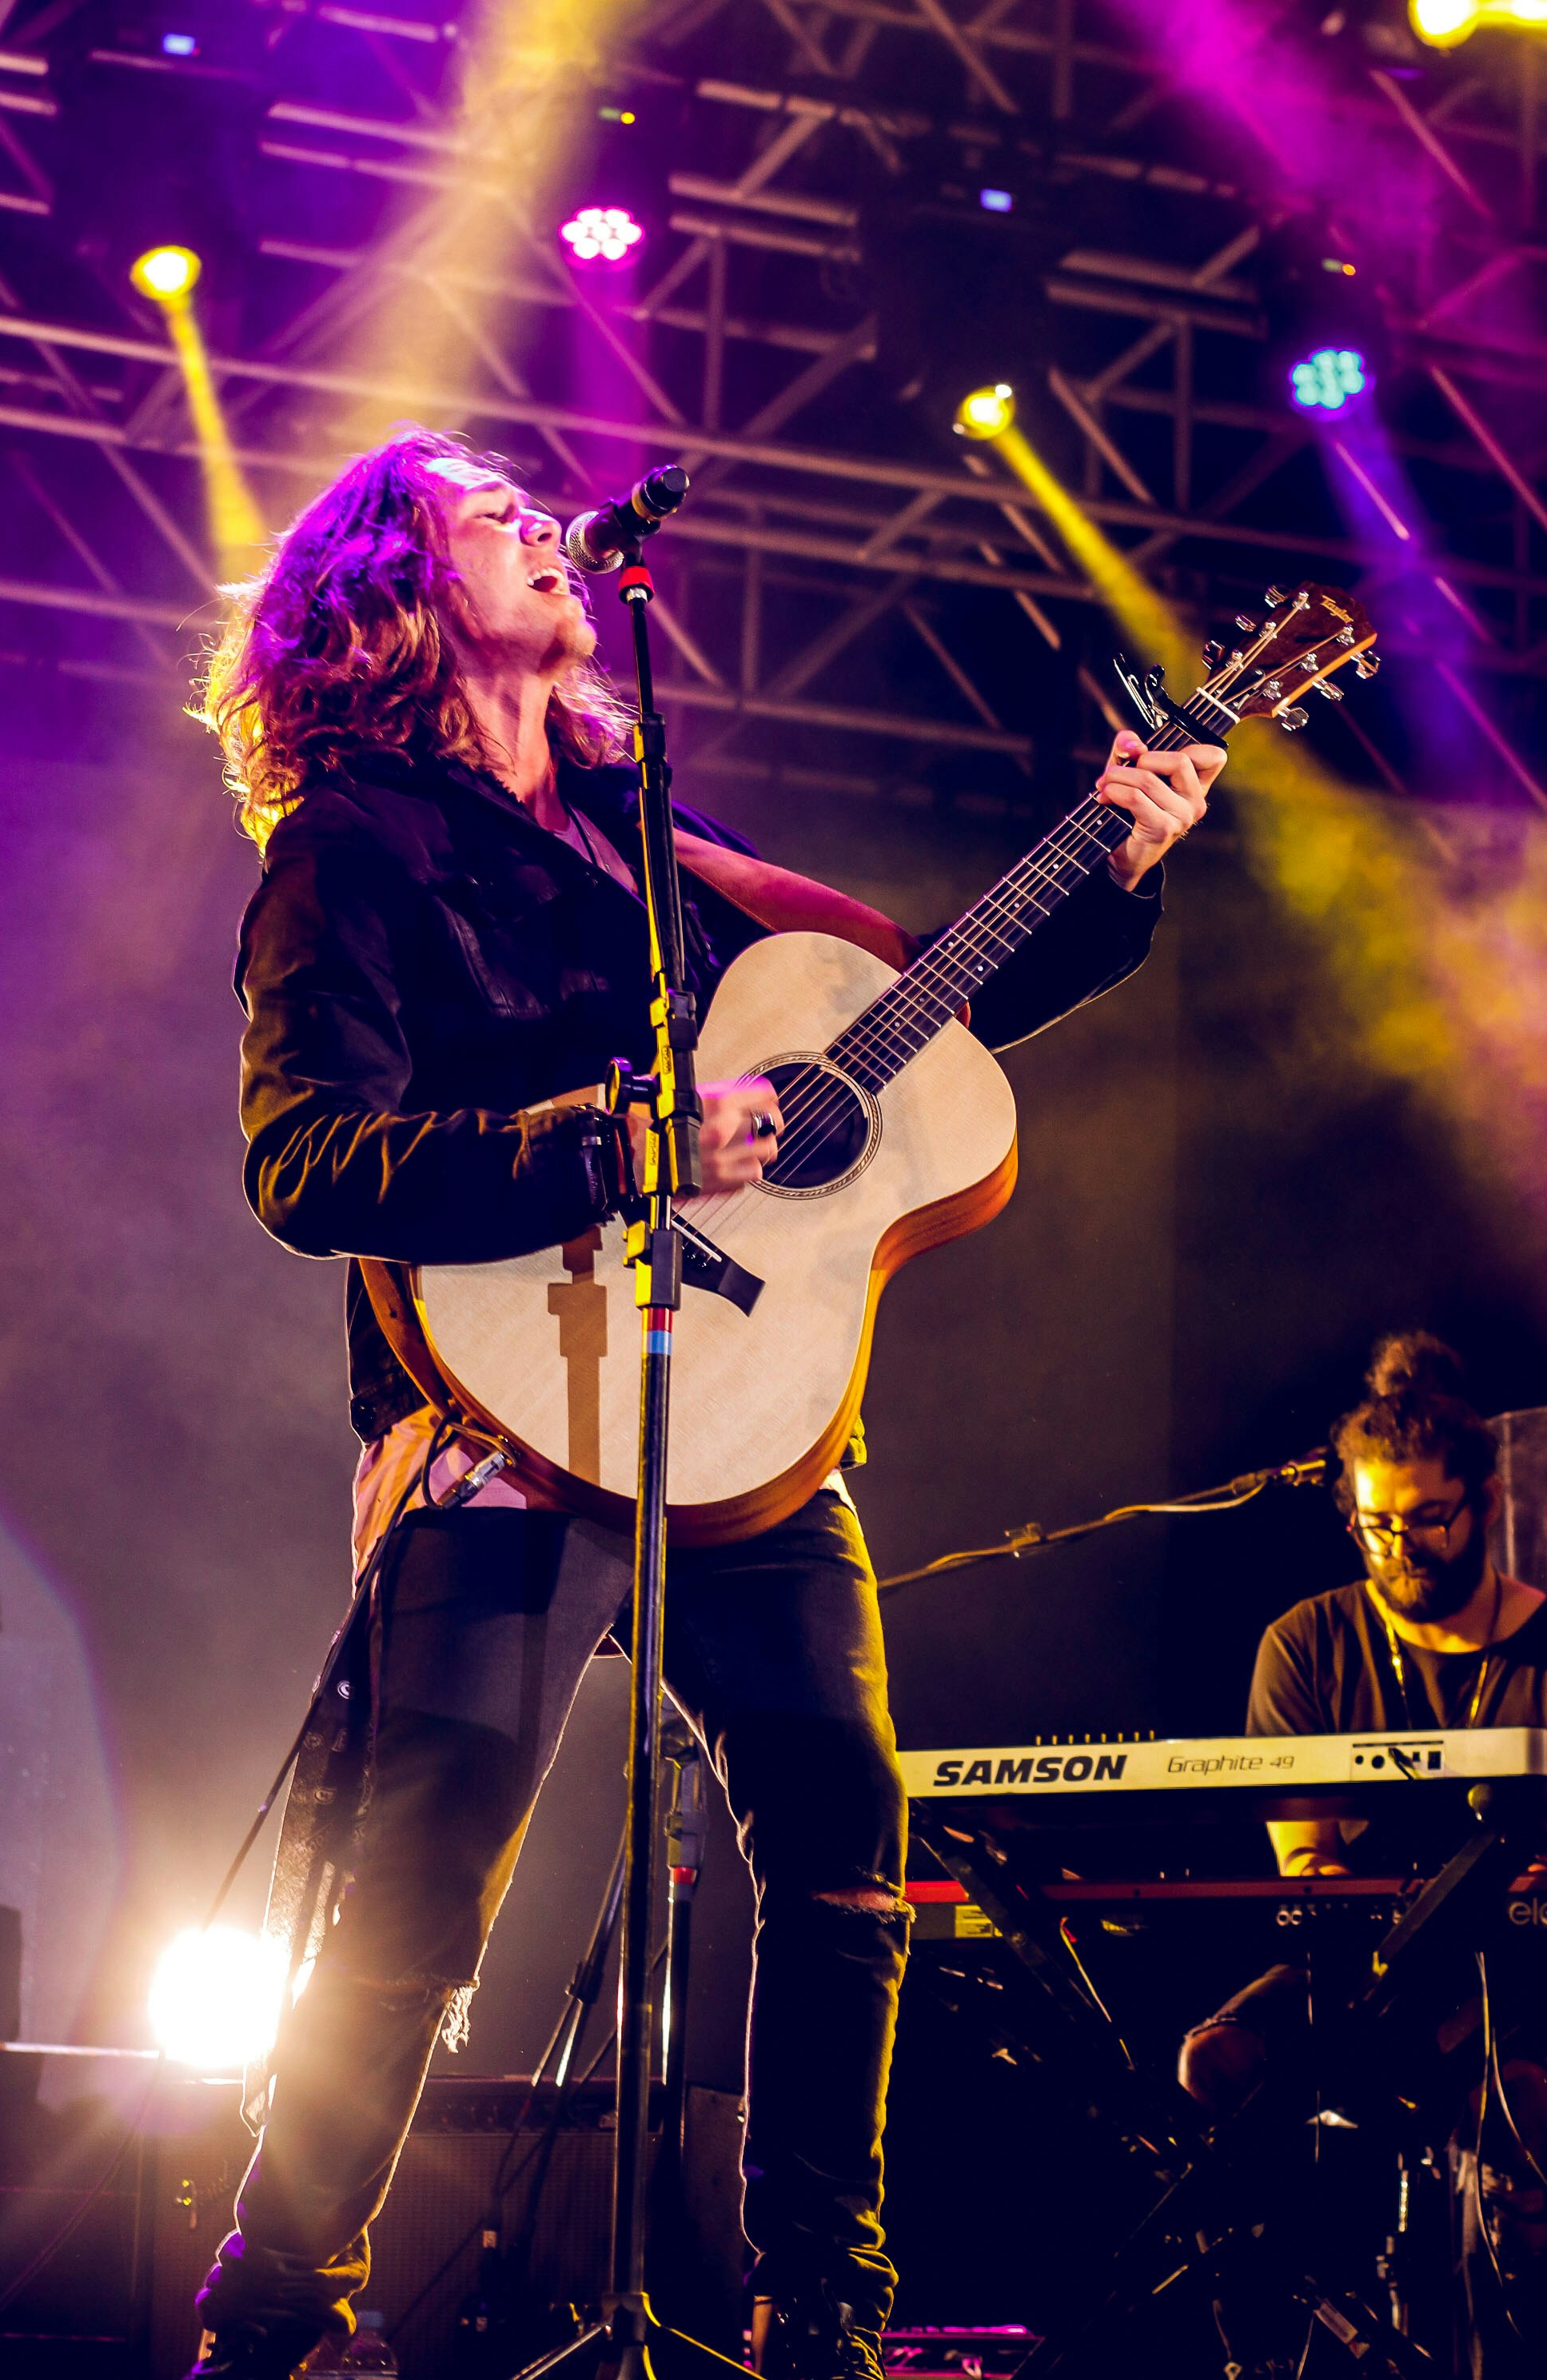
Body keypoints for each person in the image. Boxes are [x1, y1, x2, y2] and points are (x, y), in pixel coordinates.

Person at [189, 425, 1219, 2380]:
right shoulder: (350, 851)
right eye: (491, 517)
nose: (544, 527)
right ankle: (280, 2325)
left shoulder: (640, 820)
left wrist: (1106, 866)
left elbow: (905, 1015)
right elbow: (309, 1166)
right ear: (390, 602)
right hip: (497, 1415)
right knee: (423, 1887)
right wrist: (623, 1141)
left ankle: (816, 2313)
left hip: (744, 1419)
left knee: (846, 1832)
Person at [1181, 1334, 1547, 2377]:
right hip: (1366, 1976)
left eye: (1428, 1520)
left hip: (1526, 1976)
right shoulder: (1305, 1644)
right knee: (1218, 2062)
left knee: (1520, 2095)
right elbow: (1311, 1871)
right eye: (1375, 1526)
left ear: (1479, 1502)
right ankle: (1298, 2329)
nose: (1402, 1550)